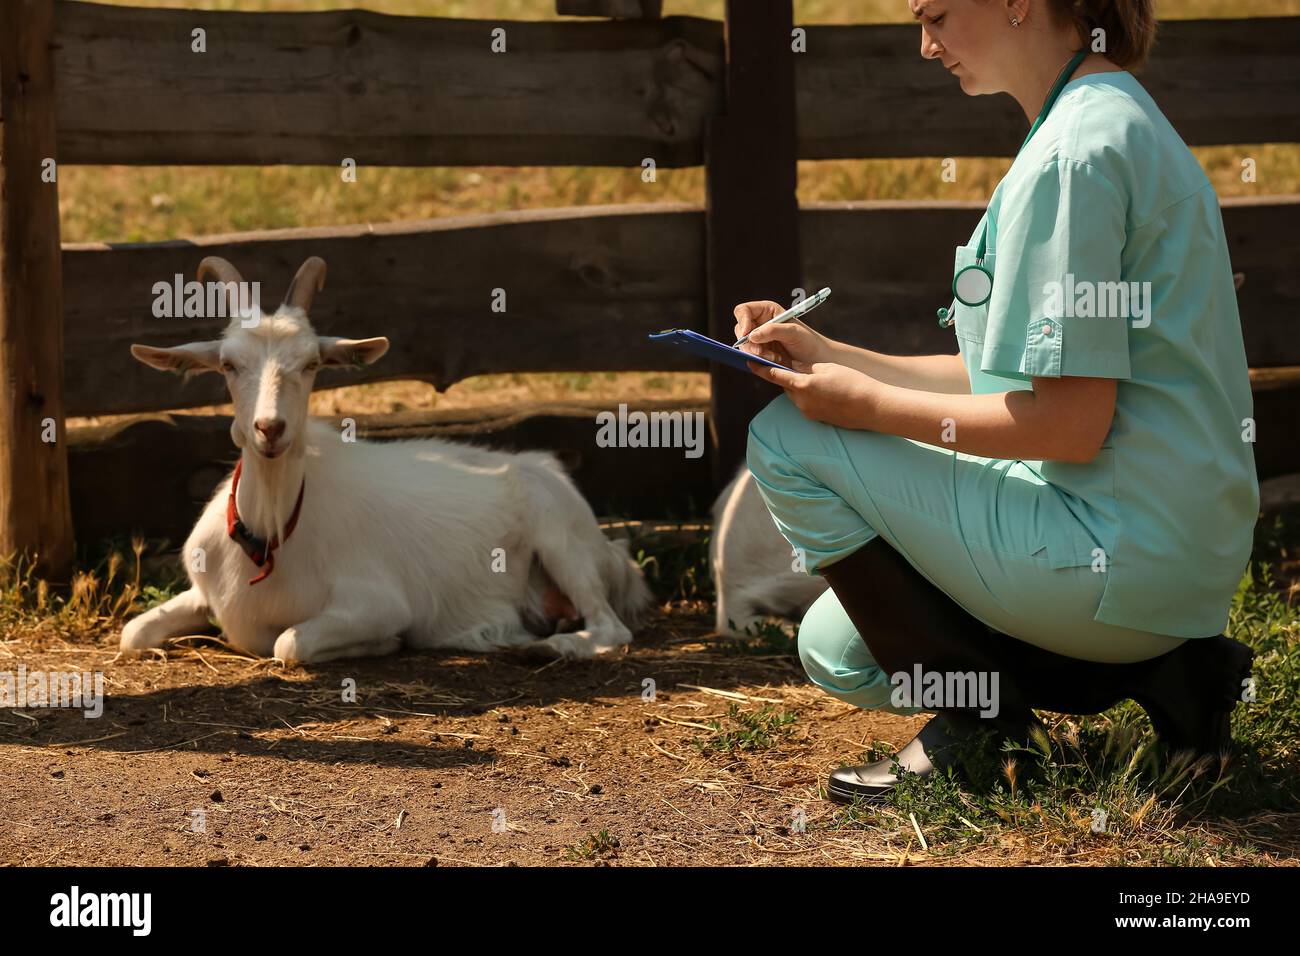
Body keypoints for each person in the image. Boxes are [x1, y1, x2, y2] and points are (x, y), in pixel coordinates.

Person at [738, 0, 1257, 804]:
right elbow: (1016, 386)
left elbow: (1066, 426)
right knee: (837, 644)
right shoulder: (1110, 118)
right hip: (1174, 555)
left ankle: (980, 731)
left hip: (1115, 549)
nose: (925, 44)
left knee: (782, 439)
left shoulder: (1070, 159)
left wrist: (864, 407)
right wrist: (829, 357)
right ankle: (1172, 668)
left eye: (936, 13)